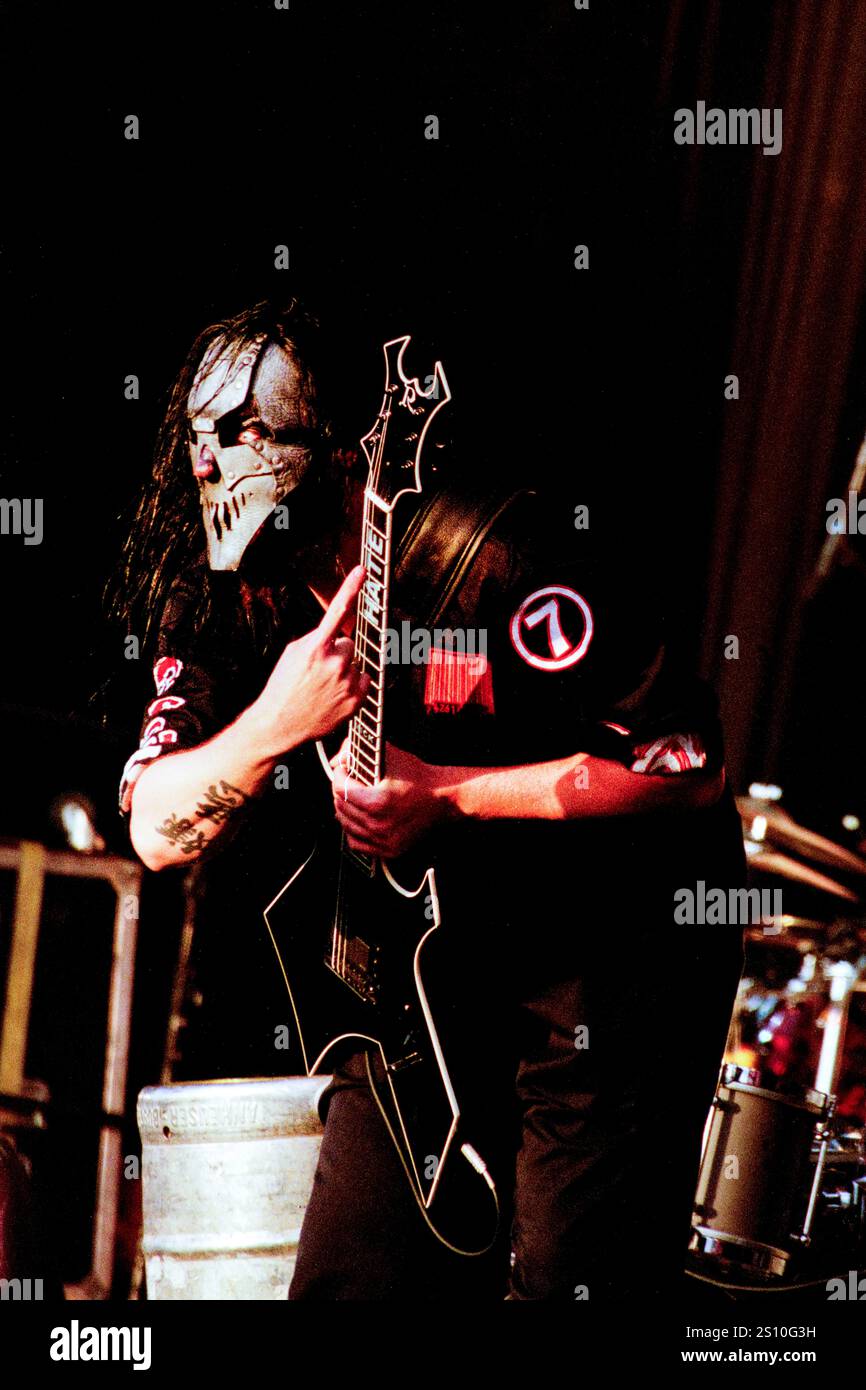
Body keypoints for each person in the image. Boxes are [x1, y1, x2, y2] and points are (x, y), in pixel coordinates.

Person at [115, 297, 745, 1301]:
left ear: (324, 449)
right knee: (349, 1281)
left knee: (564, 1277)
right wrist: (273, 720)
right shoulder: (233, 589)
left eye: (243, 437)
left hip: (599, 968)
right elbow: (154, 825)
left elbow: (689, 767)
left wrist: (453, 797)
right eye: (199, 438)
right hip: (418, 981)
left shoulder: (492, 559)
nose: (211, 469)